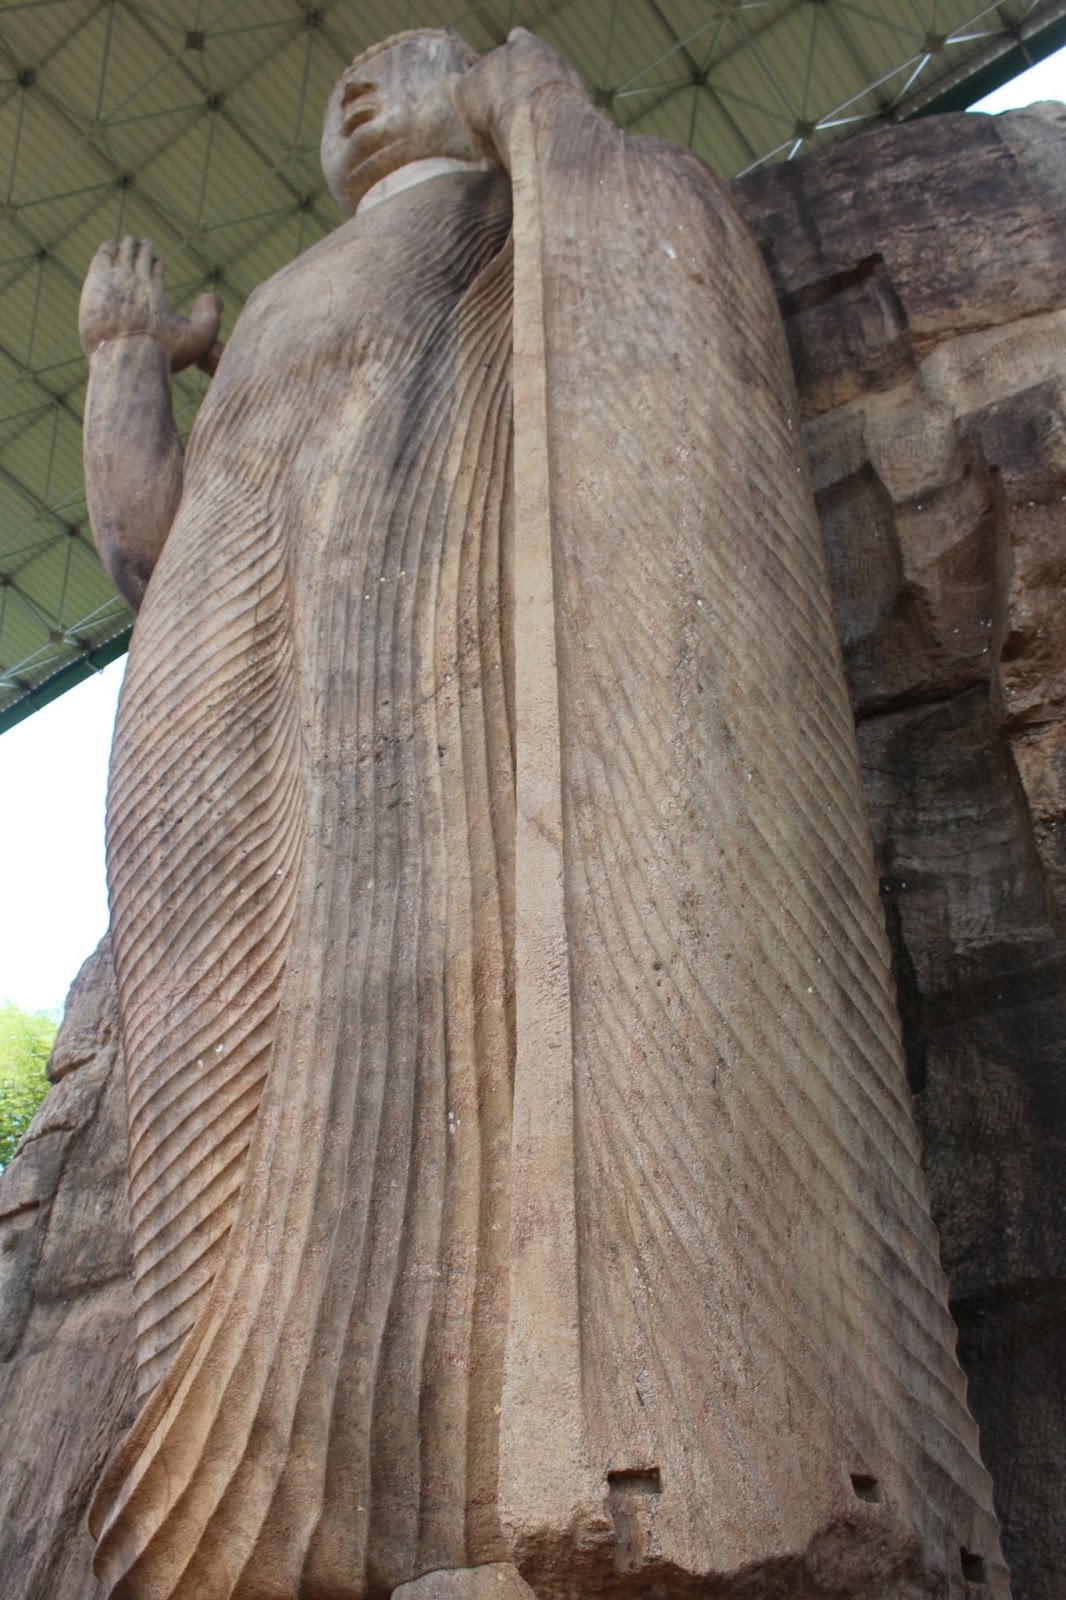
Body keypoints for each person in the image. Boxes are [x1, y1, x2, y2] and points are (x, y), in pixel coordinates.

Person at [79, 27, 1004, 1600]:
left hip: (427, 691)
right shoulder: (285, 305)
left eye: (418, 56)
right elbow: (150, 544)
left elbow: (643, 354)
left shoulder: (548, 201)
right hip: (217, 714)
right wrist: (119, 357)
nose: (368, 86)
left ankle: (471, 1500)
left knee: (436, 1056)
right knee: (197, 1096)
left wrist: (536, 118)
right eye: (348, 77)